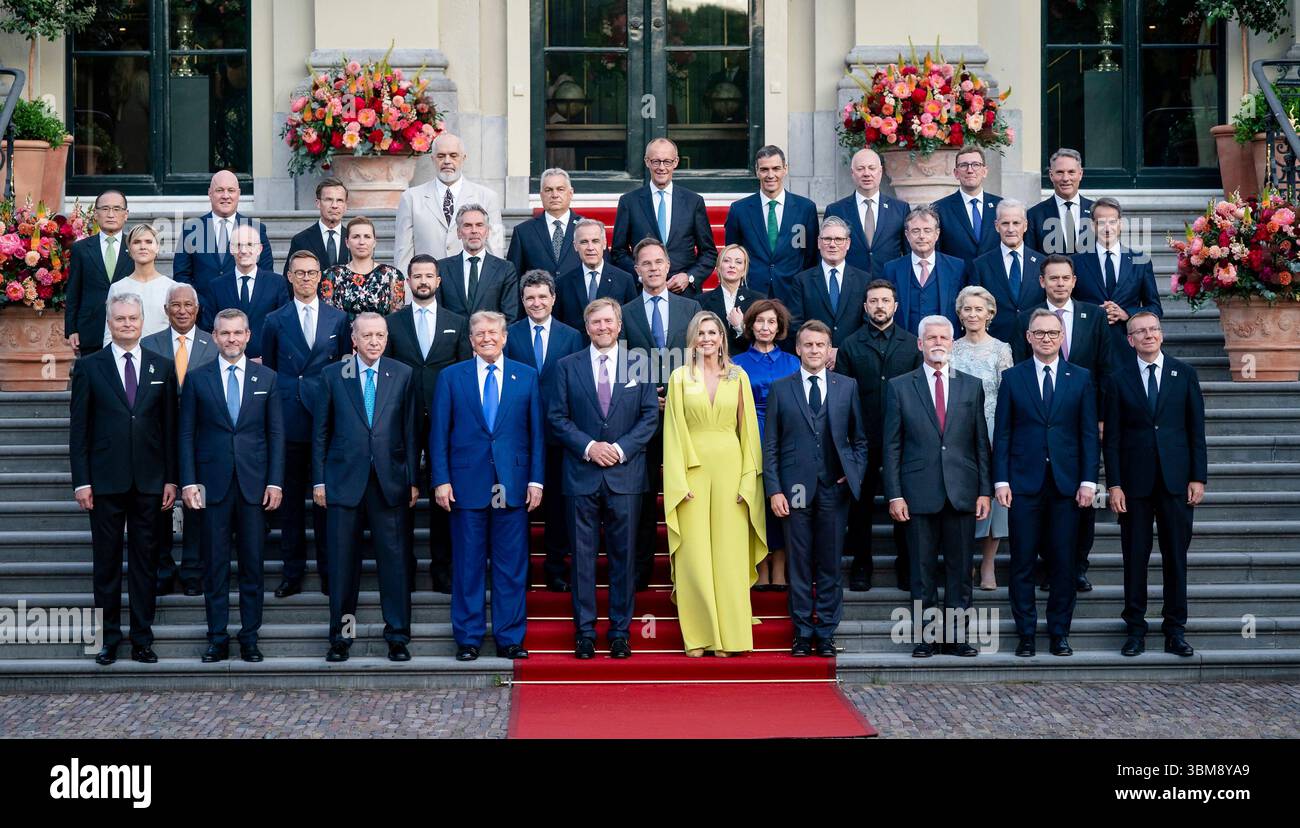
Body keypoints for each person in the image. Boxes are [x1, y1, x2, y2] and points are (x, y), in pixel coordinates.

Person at [547, 298, 659, 658]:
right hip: (581, 474)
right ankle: (584, 632)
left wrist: (621, 449)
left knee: (623, 557)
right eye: (595, 322)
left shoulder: (640, 364)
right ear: (587, 326)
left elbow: (649, 418)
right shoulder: (567, 366)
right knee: (581, 558)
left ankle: (620, 631)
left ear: (619, 324)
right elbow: (557, 418)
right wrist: (591, 446)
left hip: (625, 476)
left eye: (608, 321)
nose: (602, 327)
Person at [69, 293, 178, 665]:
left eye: (133, 318)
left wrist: (172, 480)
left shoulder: (162, 367)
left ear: (143, 321)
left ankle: (142, 639)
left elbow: (170, 430)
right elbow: (79, 430)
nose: (127, 324)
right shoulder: (89, 367)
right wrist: (81, 482)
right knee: (107, 564)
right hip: (104, 484)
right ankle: (108, 639)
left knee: (146, 563)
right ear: (109, 323)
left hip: (150, 482)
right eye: (120, 319)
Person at [430, 311, 545, 661]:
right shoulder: (451, 377)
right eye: (479, 333)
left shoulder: (525, 376)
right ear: (470, 338)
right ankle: (468, 638)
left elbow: (537, 433)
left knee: (511, 567)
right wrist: (441, 479)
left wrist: (536, 480)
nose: (486, 338)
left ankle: (509, 637)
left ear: (505, 337)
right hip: (466, 485)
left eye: (493, 332)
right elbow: (438, 434)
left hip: (512, 484)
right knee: (468, 564)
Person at [179, 308, 284, 663]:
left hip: (255, 486)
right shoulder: (197, 378)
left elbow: (275, 434)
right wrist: (189, 480)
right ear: (214, 336)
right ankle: (217, 636)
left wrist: (275, 482)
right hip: (211, 486)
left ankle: (250, 637)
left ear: (249, 335)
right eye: (225, 333)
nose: (232, 339)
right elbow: (186, 433)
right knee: (215, 565)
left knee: (253, 566)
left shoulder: (267, 378)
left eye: (238, 333)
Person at [313, 314, 419, 663]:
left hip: (390, 483)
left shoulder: (402, 374)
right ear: (353, 339)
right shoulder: (332, 376)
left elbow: (410, 431)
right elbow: (321, 433)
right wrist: (319, 480)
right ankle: (342, 638)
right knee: (343, 565)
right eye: (367, 335)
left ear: (387, 338)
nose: (374, 341)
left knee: (395, 563)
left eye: (380, 335)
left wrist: (413, 480)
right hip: (343, 483)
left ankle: (398, 636)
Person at [993, 309, 1099, 657]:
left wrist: (1088, 480)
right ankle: (1026, 634)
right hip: (1023, 484)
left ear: (1062, 337)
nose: (1046, 339)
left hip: (1067, 486)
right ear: (1028, 337)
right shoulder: (1013, 378)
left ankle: (1059, 634)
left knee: (1063, 563)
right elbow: (1004, 433)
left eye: (1053, 333)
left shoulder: (1080, 377)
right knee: (1022, 562)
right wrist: (1001, 480)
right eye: (1039, 333)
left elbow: (1087, 433)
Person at [884, 315, 991, 657]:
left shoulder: (971, 385)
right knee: (922, 570)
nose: (938, 343)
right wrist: (895, 493)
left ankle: (958, 637)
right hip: (917, 493)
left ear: (952, 341)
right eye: (931, 337)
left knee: (960, 571)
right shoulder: (900, 386)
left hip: (962, 491)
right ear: (920, 344)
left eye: (944, 337)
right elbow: (892, 445)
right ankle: (926, 638)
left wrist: (985, 490)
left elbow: (980, 443)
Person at [663, 311, 767, 656]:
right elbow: (673, 432)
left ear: (723, 337)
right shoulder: (679, 377)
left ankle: (732, 636)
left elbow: (748, 430)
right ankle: (701, 635)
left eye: (713, 332)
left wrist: (747, 482)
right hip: (691, 471)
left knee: (729, 554)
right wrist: (678, 480)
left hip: (730, 467)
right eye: (701, 333)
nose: (707, 339)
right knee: (694, 554)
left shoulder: (738, 375)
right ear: (692, 338)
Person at [1106, 312, 1207, 658]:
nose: (1148, 335)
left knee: (1175, 558)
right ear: (1130, 339)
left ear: (1161, 335)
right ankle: (1135, 628)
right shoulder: (1118, 380)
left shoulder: (1185, 374)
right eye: (1140, 332)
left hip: (1177, 482)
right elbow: (1113, 439)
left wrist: (1198, 477)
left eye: (1153, 330)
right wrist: (1114, 484)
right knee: (1135, 559)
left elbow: (1196, 432)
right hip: (1134, 485)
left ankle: (1174, 629)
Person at [764, 320, 867, 656]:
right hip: (793, 490)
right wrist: (774, 489)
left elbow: (860, 441)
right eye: (807, 345)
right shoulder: (782, 388)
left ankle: (825, 632)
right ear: (798, 348)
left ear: (828, 350)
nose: (813, 350)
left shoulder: (846, 386)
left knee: (829, 562)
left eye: (820, 345)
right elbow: (771, 445)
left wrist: (850, 473)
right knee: (798, 562)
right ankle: (802, 632)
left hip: (833, 489)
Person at [1013, 254, 1112, 591]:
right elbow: (1020, 369)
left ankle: (1077, 564)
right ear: (1042, 281)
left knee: (1082, 495)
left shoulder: (1094, 315)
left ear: (1074, 281)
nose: (1059, 283)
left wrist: (1101, 415)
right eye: (1052, 278)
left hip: (1080, 421)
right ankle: (1046, 564)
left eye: (1064, 278)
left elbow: (1105, 368)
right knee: (1042, 495)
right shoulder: (1029, 318)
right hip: (1039, 422)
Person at [260, 250, 350, 598]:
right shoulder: (274, 319)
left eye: (312, 273)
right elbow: (270, 368)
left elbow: (343, 367)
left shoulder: (338, 319)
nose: (306, 279)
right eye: (299, 273)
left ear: (320, 277)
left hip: (325, 419)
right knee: (293, 502)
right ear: (289, 277)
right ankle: (292, 573)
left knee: (327, 501)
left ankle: (330, 573)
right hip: (290, 419)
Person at [383, 254, 471, 594]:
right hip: (401, 421)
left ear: (438, 281)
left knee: (442, 495)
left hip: (444, 424)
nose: (422, 281)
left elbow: (463, 373)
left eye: (428, 276)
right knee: (401, 493)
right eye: (416, 275)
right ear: (408, 281)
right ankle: (403, 566)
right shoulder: (393, 322)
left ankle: (443, 569)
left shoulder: (457, 321)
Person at [620, 238, 703, 589]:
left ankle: (685, 574)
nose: (653, 268)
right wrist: (643, 398)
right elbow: (619, 361)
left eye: (658, 262)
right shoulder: (624, 312)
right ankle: (638, 572)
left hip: (685, 417)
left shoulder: (691, 308)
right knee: (641, 498)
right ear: (637, 271)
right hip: (640, 420)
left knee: (688, 496)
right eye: (646, 264)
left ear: (669, 267)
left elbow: (702, 356)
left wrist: (684, 394)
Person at [834, 279, 923, 592]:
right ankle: (861, 565)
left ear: (895, 305)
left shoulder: (913, 345)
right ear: (865, 306)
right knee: (860, 507)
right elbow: (841, 397)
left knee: (904, 504)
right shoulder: (850, 345)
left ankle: (906, 565)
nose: (879, 306)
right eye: (873, 301)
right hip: (863, 438)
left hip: (904, 440)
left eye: (885, 300)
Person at [505, 270, 584, 591]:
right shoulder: (510, 334)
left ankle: (554, 567)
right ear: (522, 302)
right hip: (517, 435)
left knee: (555, 506)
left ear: (553, 299)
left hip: (558, 435)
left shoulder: (572, 336)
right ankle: (518, 572)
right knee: (515, 506)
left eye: (542, 297)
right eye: (530, 298)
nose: (536, 303)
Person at [142, 283, 216, 597]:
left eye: (188, 305)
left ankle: (193, 571)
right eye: (176, 305)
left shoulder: (213, 344)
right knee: (160, 504)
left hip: (201, 439)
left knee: (196, 506)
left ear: (197, 310)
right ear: (166, 310)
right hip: (159, 440)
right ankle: (162, 568)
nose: (182, 310)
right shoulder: (149, 344)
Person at [732, 299, 801, 591]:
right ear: (750, 326)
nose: (765, 327)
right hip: (751, 432)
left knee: (782, 500)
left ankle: (781, 566)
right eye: (759, 321)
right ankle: (759, 565)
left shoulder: (793, 362)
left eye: (771, 322)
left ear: (780, 327)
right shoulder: (736, 364)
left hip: (787, 435)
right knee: (757, 501)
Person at [949, 286, 1013, 591]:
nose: (973, 314)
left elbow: (1009, 394)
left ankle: (987, 563)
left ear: (990, 314)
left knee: (995, 498)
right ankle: (964, 560)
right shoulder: (950, 347)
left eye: (979, 309)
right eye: (967, 309)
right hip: (956, 430)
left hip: (992, 428)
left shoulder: (1002, 349)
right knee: (962, 494)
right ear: (959, 314)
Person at [610, 138, 717, 296]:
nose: (661, 167)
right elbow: (618, 252)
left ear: (676, 162)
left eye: (667, 161)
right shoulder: (629, 202)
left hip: (684, 294)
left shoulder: (693, 202)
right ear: (647, 162)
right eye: (656, 161)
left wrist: (689, 277)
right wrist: (642, 276)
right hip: (642, 292)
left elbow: (708, 252)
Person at [394, 132, 505, 271]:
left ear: (463, 158)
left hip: (470, 286)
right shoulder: (411, 198)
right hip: (427, 287)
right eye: (441, 156)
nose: (447, 161)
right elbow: (403, 253)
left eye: (453, 155)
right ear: (432, 158)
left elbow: (495, 250)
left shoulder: (487, 198)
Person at [1070, 196, 1163, 360]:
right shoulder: (1076, 262)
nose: (1107, 228)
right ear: (1092, 226)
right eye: (1101, 223)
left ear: (1120, 224)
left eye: (1112, 222)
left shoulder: (1140, 261)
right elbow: (1068, 304)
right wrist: (1095, 312)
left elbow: (1155, 308)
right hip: (1087, 346)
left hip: (1128, 346)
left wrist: (1127, 313)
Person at [722, 145, 819, 300]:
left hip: (793, 292)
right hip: (752, 291)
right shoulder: (739, 210)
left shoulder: (805, 208)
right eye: (764, 169)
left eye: (776, 168)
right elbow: (732, 252)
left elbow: (811, 255)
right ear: (757, 171)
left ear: (785, 169)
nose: (770, 175)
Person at [172, 170, 274, 297]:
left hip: (243, 310)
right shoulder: (191, 229)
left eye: (231, 190)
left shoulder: (256, 229)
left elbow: (266, 275)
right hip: (204, 311)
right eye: (219, 190)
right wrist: (201, 304)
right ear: (210, 193)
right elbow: (181, 275)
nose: (226, 196)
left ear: (239, 194)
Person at [199, 224, 290, 360]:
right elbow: (208, 328)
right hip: (227, 362)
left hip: (266, 364)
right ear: (231, 249)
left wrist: (267, 359)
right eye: (238, 245)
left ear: (259, 249)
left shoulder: (277, 283)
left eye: (249, 244)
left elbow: (285, 326)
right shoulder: (216, 286)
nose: (244, 250)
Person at [786, 216, 871, 352]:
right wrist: (822, 349)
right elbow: (795, 324)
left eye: (838, 239)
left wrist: (842, 351)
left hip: (853, 358)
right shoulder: (802, 281)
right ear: (819, 243)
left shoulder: (864, 280)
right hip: (815, 357)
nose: (832, 244)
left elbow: (868, 324)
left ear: (848, 243)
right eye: (827, 239)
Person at [64, 190, 133, 356]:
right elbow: (74, 291)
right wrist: (71, 328)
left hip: (127, 328)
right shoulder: (81, 249)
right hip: (90, 329)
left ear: (126, 214)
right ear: (95, 214)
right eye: (105, 209)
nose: (110, 214)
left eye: (117, 209)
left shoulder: (135, 247)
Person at [824, 148, 910, 278]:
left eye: (871, 168)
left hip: (889, 285)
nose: (866, 173)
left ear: (880, 171)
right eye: (860, 169)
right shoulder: (836, 210)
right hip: (850, 285)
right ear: (852, 173)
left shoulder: (900, 209)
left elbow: (909, 253)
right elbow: (827, 254)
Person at [968, 199, 1046, 343]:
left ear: (1025, 225)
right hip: (995, 344)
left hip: (1035, 343)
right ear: (997, 226)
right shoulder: (981, 265)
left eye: (1016, 223)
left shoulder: (1042, 263)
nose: (1011, 229)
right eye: (1005, 223)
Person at [883, 206, 967, 337]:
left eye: (927, 231)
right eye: (915, 231)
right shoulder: (891, 269)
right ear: (907, 235)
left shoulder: (957, 267)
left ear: (937, 234)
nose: (921, 236)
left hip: (945, 345)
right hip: (904, 346)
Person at [436, 204, 521, 323]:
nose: (474, 231)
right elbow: (438, 312)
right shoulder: (442, 268)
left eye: (479, 225)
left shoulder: (505, 269)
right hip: (453, 340)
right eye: (467, 226)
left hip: (489, 340)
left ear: (487, 231)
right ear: (459, 232)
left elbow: (510, 316)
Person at [555, 218, 638, 334]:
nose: (590, 247)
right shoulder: (562, 284)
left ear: (604, 244)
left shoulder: (624, 280)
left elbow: (632, 323)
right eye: (584, 242)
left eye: (595, 241)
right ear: (575, 246)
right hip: (576, 350)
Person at [320, 216, 405, 320]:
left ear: (374, 242)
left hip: (381, 335)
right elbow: (327, 317)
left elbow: (397, 320)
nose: (361, 242)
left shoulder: (393, 275)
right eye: (356, 236)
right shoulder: (331, 275)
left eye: (367, 236)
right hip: (343, 335)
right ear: (347, 242)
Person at [104, 224, 177, 345]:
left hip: (163, 357)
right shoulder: (117, 288)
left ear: (157, 247)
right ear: (129, 249)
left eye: (148, 242)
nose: (143, 246)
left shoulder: (172, 287)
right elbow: (109, 333)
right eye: (137, 242)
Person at [506, 168, 584, 278]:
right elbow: (513, 278)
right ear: (541, 195)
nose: (554, 195)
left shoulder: (588, 228)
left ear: (571, 193)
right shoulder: (523, 232)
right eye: (548, 190)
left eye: (560, 189)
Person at [933, 145, 1003, 267]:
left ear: (985, 171)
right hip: (957, 281)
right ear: (956, 173)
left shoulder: (1000, 206)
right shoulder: (940, 209)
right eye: (964, 165)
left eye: (976, 164)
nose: (970, 170)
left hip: (993, 281)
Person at [699, 244, 767, 360]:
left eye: (738, 262)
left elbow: (763, 341)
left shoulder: (758, 301)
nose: (732, 266)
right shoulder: (701, 301)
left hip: (748, 364)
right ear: (719, 267)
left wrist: (740, 327)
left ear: (744, 269)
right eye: (727, 261)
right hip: (712, 364)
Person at [1025, 148, 1093, 255]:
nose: (1065, 178)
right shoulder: (1034, 215)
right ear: (1051, 175)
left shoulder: (1096, 211)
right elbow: (1031, 257)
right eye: (1060, 172)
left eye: (1071, 172)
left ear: (1080, 174)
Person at [284, 177, 351, 275]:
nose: (334, 205)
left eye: (340, 200)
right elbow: (289, 278)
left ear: (345, 205)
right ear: (318, 203)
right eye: (329, 200)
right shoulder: (301, 240)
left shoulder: (354, 239)